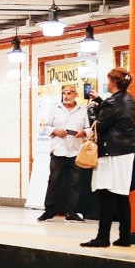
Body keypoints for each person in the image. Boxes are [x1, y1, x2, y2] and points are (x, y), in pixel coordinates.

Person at [80, 67, 135, 248]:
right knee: (122, 195)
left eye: (108, 80)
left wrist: (92, 110)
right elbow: (117, 113)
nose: (107, 83)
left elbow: (98, 126)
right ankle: (125, 236)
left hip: (111, 153)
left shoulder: (111, 103)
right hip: (128, 153)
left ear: (114, 82)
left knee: (105, 194)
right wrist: (100, 100)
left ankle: (102, 237)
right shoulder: (130, 99)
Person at [37, 85, 90, 223]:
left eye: (70, 93)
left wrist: (83, 133)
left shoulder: (82, 110)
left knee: (75, 183)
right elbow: (46, 126)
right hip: (58, 150)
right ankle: (48, 211)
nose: (66, 96)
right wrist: (55, 131)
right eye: (64, 93)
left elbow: (89, 128)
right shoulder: (55, 109)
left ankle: (71, 212)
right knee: (53, 181)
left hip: (75, 151)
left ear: (75, 94)